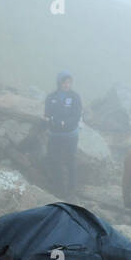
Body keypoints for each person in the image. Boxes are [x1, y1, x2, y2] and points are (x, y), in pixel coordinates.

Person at [43, 71, 83, 200]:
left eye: (69, 82)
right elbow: (47, 113)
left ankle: (71, 190)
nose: (67, 85)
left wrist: (65, 123)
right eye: (64, 82)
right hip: (54, 134)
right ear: (59, 82)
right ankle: (58, 189)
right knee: (55, 161)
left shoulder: (75, 97)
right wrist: (53, 121)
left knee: (70, 160)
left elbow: (77, 115)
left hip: (70, 135)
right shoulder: (51, 97)